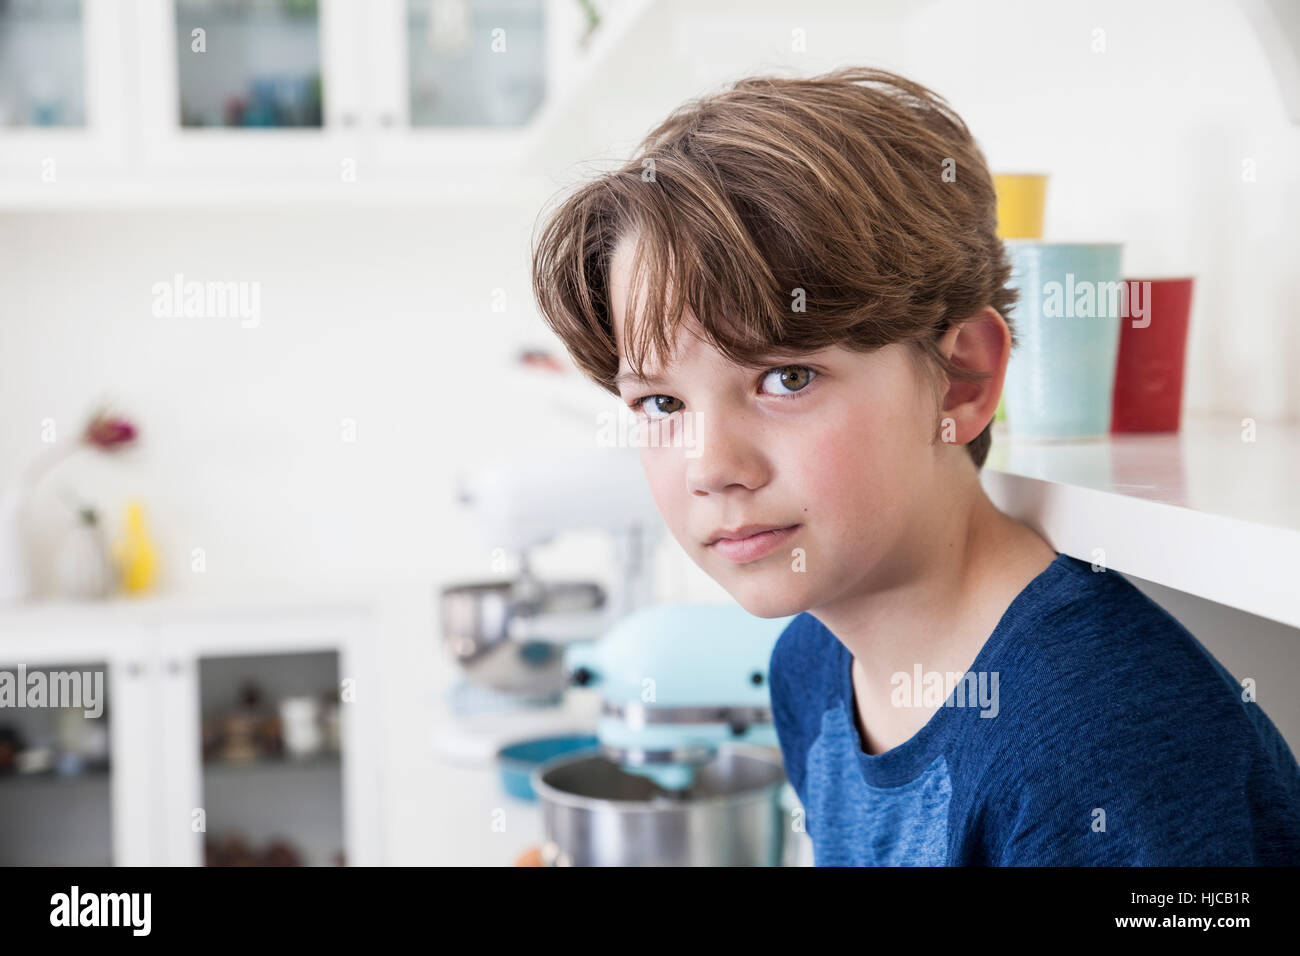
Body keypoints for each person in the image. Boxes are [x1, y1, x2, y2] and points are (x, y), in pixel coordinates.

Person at [529, 66, 1300, 864]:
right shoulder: (813, 667)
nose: (711, 467)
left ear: (961, 379)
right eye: (662, 404)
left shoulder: (1097, 747)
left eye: (786, 378)